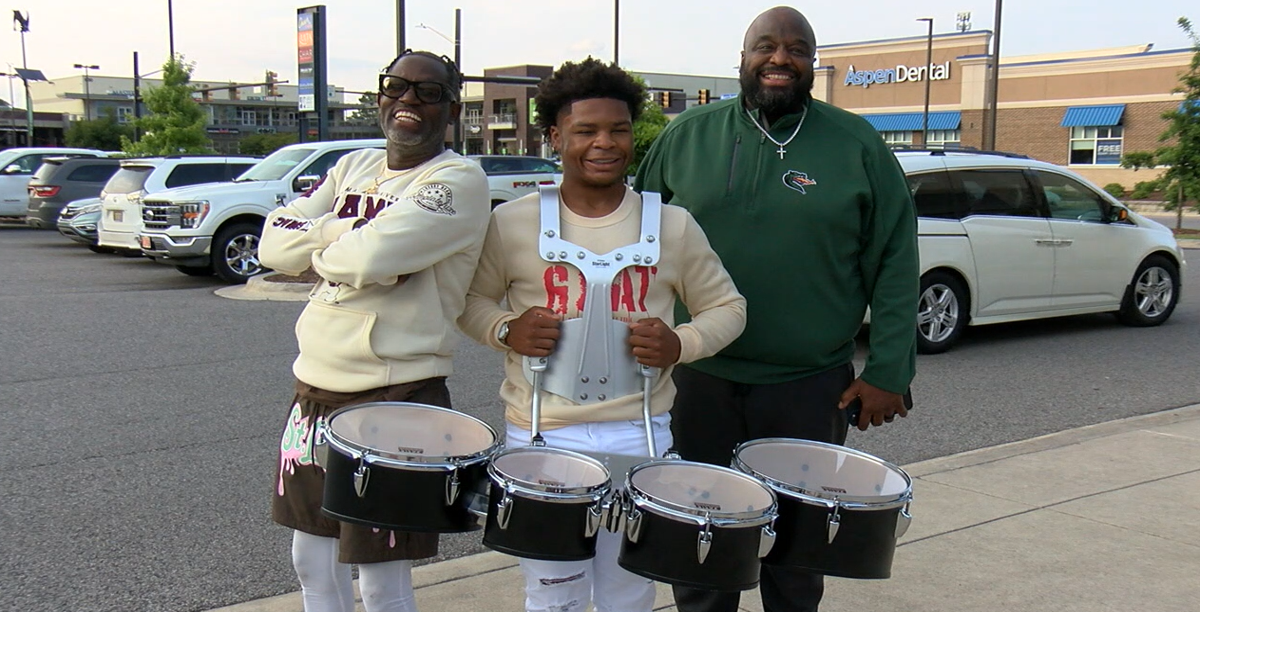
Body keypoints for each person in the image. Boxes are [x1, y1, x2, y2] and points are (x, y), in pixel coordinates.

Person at [633, 6, 920, 612]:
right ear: (742, 58)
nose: (780, 59)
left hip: (808, 385)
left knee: (796, 556)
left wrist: (890, 370)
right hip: (699, 377)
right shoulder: (687, 137)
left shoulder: (856, 144)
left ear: (813, 63)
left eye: (797, 49)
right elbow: (636, 246)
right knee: (703, 546)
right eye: (766, 46)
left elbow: (895, 257)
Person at [457, 57, 747, 612]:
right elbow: (469, 302)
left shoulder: (672, 224)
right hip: (543, 432)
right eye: (585, 130)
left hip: (638, 431)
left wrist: (681, 343)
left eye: (618, 129)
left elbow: (729, 307)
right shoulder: (512, 222)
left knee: (628, 590)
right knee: (553, 593)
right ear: (555, 136)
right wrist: (506, 329)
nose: (604, 143)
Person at [259, 50, 491, 612]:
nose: (408, 99)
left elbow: (368, 257)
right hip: (315, 388)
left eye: (429, 92)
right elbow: (272, 243)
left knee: (380, 575)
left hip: (396, 395)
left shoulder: (455, 181)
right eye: (396, 85)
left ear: (451, 110)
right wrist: (344, 234)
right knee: (310, 559)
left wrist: (325, 249)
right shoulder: (352, 167)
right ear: (381, 94)